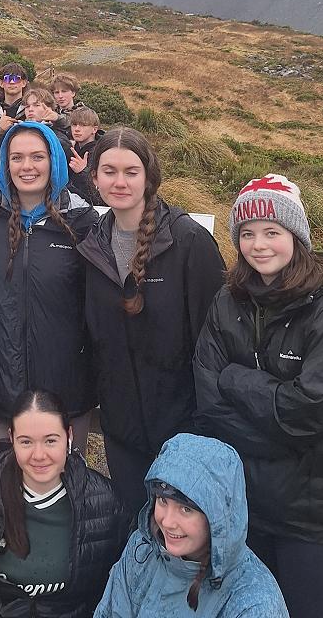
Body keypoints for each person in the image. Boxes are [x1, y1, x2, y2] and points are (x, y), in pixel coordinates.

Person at [194, 174, 323, 618]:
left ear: (296, 236)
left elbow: (313, 411)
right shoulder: (227, 301)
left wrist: (237, 379)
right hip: (249, 506)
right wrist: (281, 424)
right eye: (248, 234)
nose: (259, 245)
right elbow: (209, 403)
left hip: (319, 517)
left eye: (272, 232)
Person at [78, 128, 225, 513]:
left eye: (131, 171)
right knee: (135, 526)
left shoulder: (187, 240)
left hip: (183, 424)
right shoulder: (92, 245)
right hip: (121, 424)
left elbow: (216, 340)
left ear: (149, 177)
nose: (120, 181)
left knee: (180, 535)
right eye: (109, 171)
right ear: (93, 178)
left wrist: (205, 421)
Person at [0, 121, 96, 450]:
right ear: (5, 163)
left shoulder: (82, 222)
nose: (27, 166)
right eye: (17, 158)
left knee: (65, 490)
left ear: (54, 160)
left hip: (66, 394)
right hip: (2, 394)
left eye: (37, 157)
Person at [94, 433, 288, 618]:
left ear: (218, 517)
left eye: (185, 509)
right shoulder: (141, 551)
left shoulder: (253, 603)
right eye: (162, 501)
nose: (167, 522)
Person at [0, 390, 131, 618]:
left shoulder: (106, 503)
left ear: (68, 435)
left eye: (50, 440)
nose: (39, 455)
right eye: (26, 442)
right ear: (11, 438)